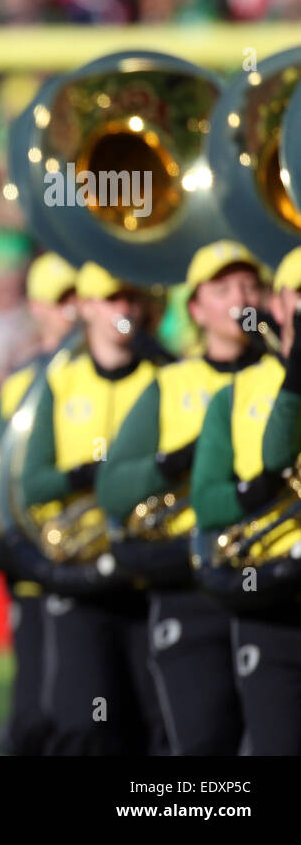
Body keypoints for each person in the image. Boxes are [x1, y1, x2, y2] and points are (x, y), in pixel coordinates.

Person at [96, 240, 266, 755]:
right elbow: (113, 489)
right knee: (201, 749)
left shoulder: (284, 374)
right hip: (188, 587)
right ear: (195, 308)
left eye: (249, 285)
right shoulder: (170, 383)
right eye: (223, 288)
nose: (240, 298)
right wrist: (171, 463)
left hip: (269, 587)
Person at [21, 261, 169, 756]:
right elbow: (32, 485)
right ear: (86, 307)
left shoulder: (165, 378)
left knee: (155, 724)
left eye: (130, 298)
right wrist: (87, 474)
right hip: (81, 579)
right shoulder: (60, 383)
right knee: (81, 723)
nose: (123, 310)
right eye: (110, 300)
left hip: (146, 576)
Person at [0, 251, 77, 755]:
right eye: (61, 301)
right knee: (35, 710)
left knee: (88, 711)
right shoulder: (22, 383)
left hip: (96, 561)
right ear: (38, 309)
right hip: (35, 567)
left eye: (79, 299)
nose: (72, 311)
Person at [190, 246, 301, 755]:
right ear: (278, 306)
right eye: (299, 293)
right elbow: (208, 502)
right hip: (272, 600)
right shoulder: (234, 396)